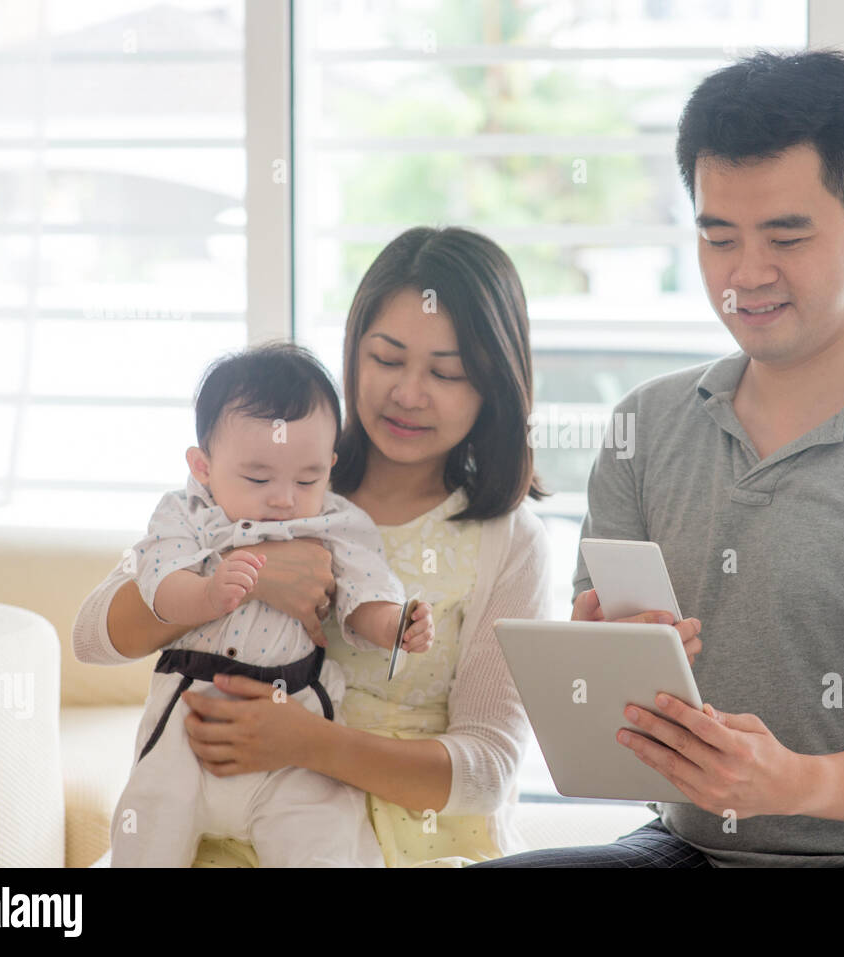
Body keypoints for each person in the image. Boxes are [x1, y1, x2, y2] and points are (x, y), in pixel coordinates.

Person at [475, 49, 844, 868]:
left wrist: (792, 781)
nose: (746, 275)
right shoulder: (649, 425)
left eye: (786, 236)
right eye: (718, 237)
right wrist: (607, 660)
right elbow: (603, 684)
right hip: (700, 844)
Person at [76, 226, 575, 866]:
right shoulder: (276, 473)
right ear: (352, 353)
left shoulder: (510, 540)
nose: (408, 394)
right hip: (222, 827)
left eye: (446, 373)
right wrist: (243, 574)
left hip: (411, 844)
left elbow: (488, 770)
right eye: (387, 359)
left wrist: (307, 743)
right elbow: (93, 634)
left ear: (493, 387)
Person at [109, 342, 434, 867]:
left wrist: (394, 625)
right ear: (203, 467)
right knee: (150, 817)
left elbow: (364, 593)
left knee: (320, 824)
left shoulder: (337, 522)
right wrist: (210, 592)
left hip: (296, 711)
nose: (285, 498)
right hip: (192, 709)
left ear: (329, 465)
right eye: (258, 478)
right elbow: (160, 583)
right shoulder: (187, 513)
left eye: (307, 478)